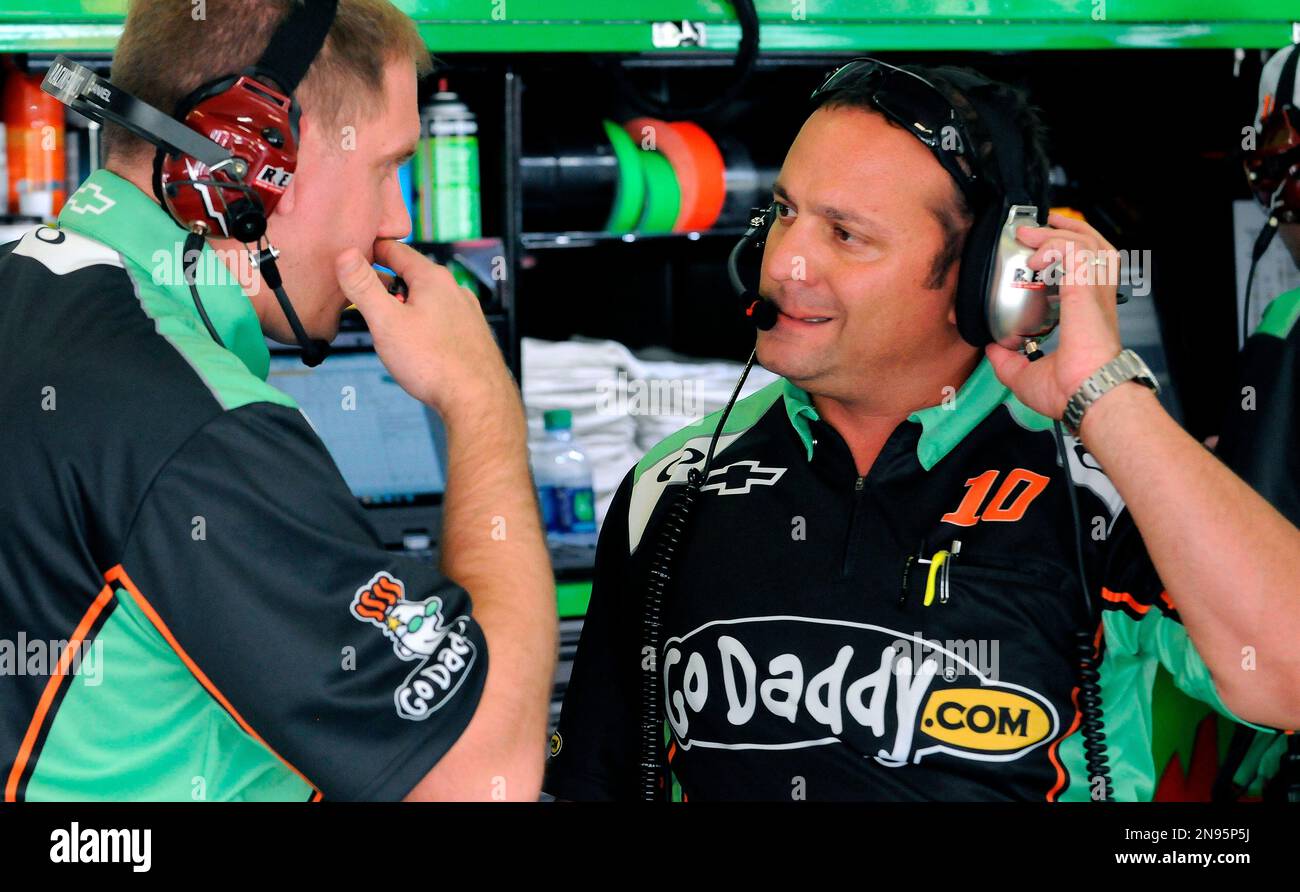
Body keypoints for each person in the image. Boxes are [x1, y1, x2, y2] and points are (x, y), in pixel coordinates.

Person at [545, 60, 1300, 801]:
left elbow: (1289, 677)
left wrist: (1104, 398)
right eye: (784, 211)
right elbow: (597, 774)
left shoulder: (1106, 485)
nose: (785, 263)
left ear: (986, 279)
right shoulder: (674, 479)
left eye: (845, 234)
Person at [0, 0, 555, 802]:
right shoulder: (199, 426)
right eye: (384, 169)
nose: (397, 220)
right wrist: (481, 402)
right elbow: (481, 777)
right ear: (251, 158)